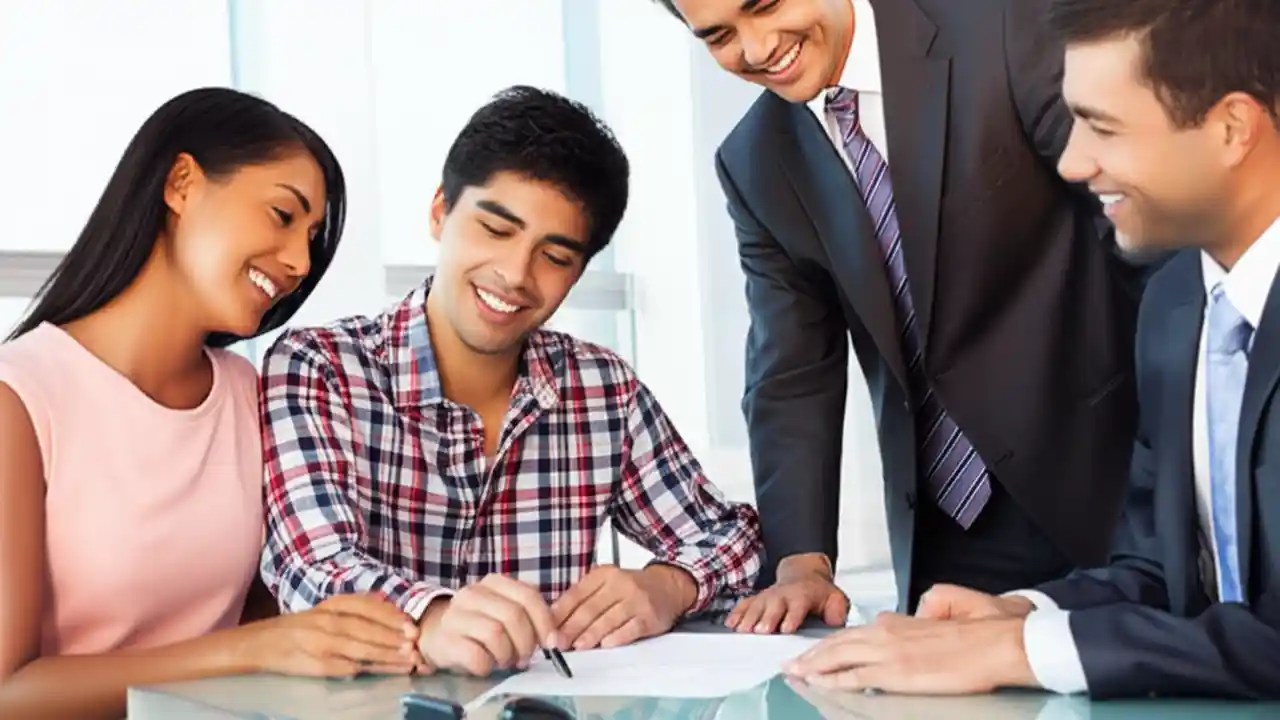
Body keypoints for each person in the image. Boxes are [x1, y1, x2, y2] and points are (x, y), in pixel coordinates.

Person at [783, 0, 1280, 699]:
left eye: (1101, 127)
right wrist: (1018, 614)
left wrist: (1023, 650)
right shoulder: (1177, 308)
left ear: (1232, 127)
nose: (1071, 163)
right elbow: (1160, 574)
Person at [652, 0, 1148, 628]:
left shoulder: (1000, 28)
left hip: (1115, 483)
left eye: (765, 5)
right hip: (949, 536)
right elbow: (792, 367)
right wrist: (801, 560)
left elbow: (1149, 225)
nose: (755, 50)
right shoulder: (754, 161)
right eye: (719, 36)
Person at [259, 85, 764, 679]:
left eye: (555, 256)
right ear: (440, 212)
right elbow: (310, 569)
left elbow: (733, 535)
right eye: (496, 230)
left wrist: (666, 586)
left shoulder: (602, 390)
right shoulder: (320, 368)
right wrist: (434, 620)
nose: (515, 274)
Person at [0, 88, 426, 720]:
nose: (299, 263)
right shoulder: (21, 401)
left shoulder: (254, 396)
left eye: (311, 238)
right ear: (180, 183)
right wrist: (248, 650)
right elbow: (9, 692)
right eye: (283, 216)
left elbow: (270, 609)